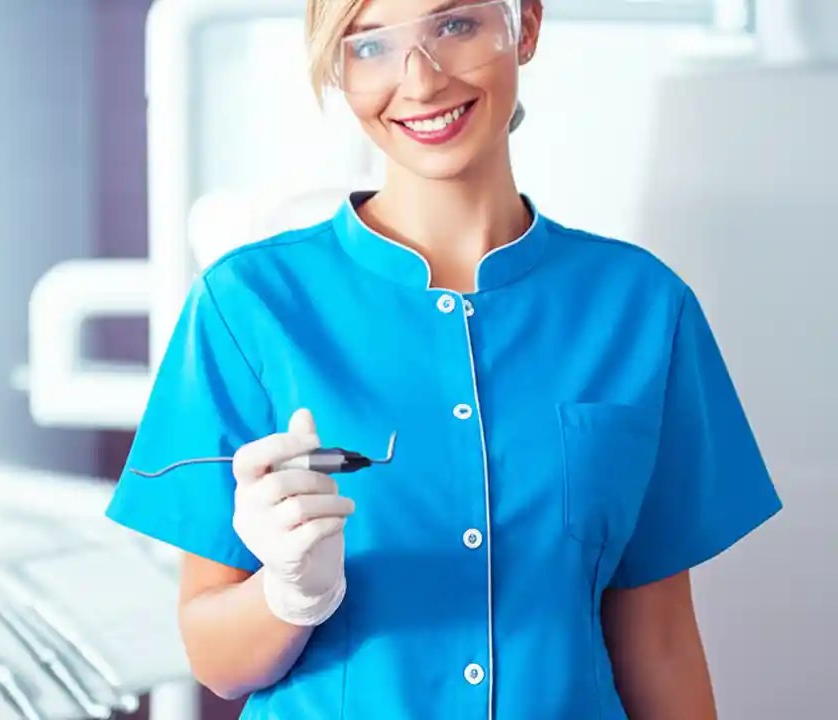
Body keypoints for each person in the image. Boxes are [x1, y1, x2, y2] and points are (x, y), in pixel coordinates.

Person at [105, 0, 782, 717]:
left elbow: (661, 643)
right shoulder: (250, 306)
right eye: (370, 46)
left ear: (524, 24)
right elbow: (216, 662)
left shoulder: (642, 307)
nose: (420, 82)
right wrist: (289, 593)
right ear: (336, 67)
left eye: (454, 25)